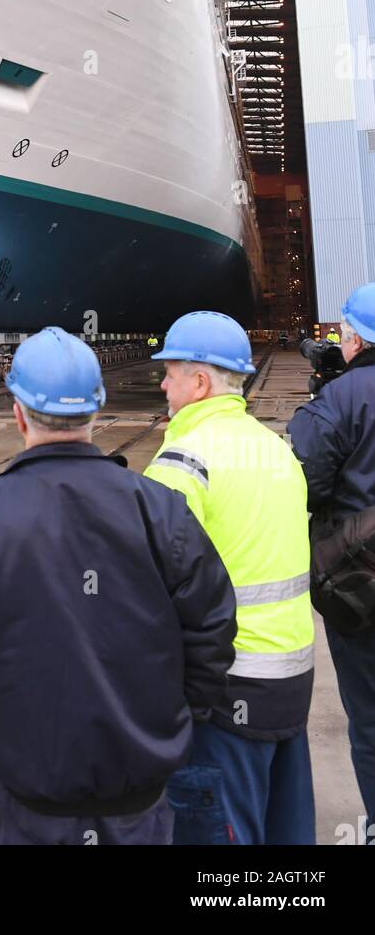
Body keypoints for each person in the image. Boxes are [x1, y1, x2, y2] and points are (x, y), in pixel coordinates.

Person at [0, 326, 236, 846]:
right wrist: (175, 723)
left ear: (17, 413)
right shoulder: (159, 510)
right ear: (97, 412)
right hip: (140, 795)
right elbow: (212, 629)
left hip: (28, 797)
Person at [145, 311, 315, 845]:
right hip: (291, 674)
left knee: (221, 834)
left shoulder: (182, 462)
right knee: (284, 827)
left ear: (199, 382)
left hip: (226, 687)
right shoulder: (278, 450)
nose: (163, 385)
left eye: (169, 373)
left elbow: (144, 585)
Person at [287, 282, 375, 842]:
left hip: (359, 590)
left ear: (353, 339)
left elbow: (305, 485)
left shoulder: (339, 401)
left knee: (369, 719)